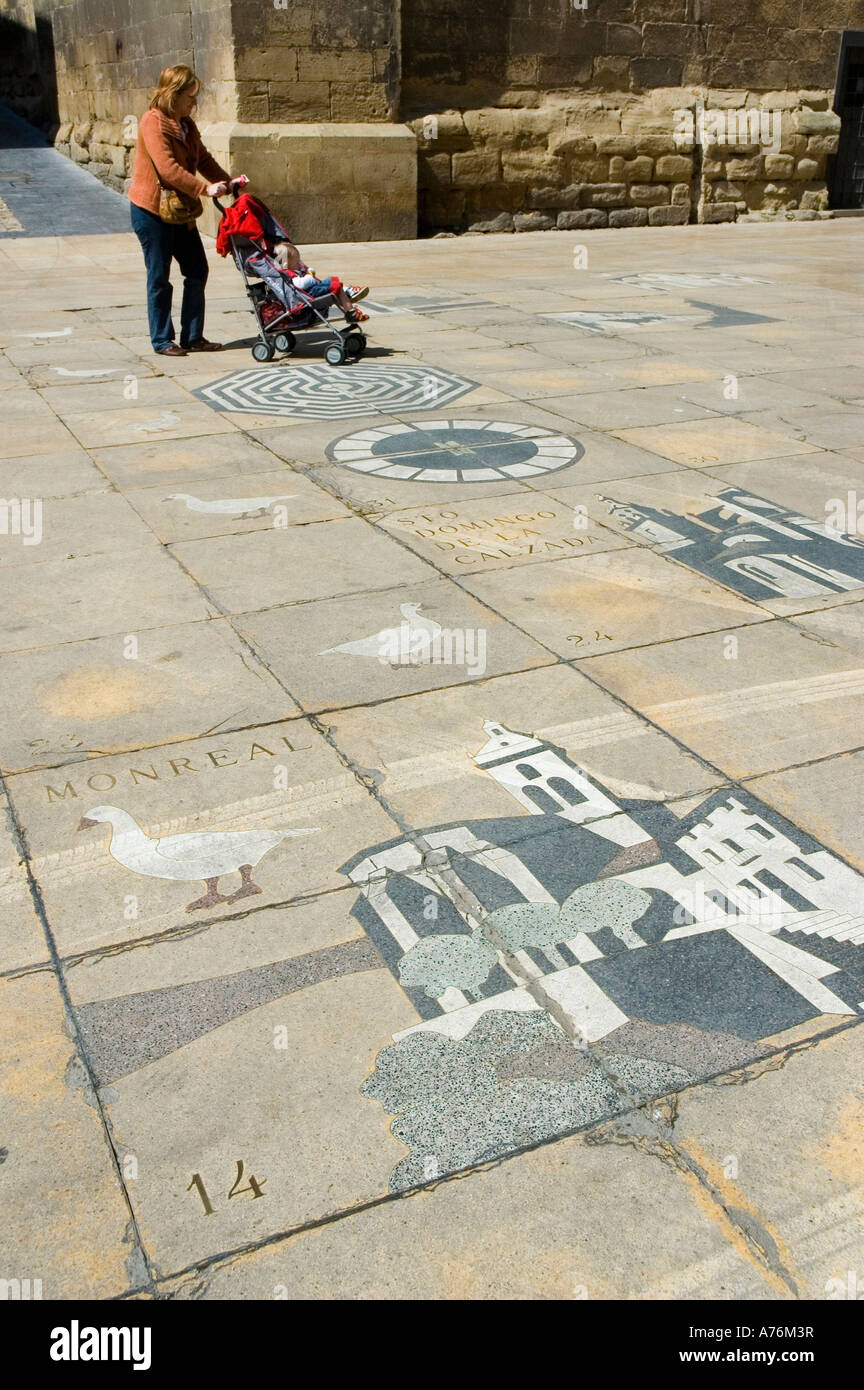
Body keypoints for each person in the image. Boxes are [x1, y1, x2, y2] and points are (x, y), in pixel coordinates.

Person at [128, 64, 246, 356]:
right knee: (159, 275)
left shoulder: (187, 125)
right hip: (152, 210)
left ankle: (193, 337)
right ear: (174, 94)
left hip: (179, 211)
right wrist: (204, 189)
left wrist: (228, 182)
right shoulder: (152, 122)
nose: (195, 102)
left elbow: (203, 160)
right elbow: (168, 169)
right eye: (191, 96)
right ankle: (162, 340)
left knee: (196, 269)